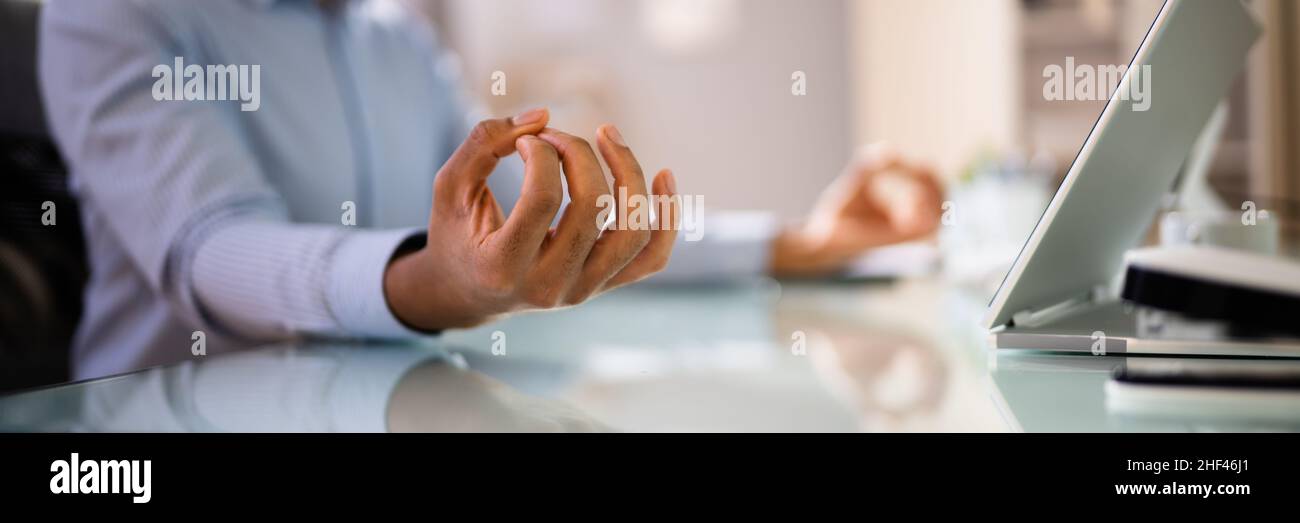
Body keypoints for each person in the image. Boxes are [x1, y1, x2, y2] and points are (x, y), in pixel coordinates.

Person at [39, 0, 942, 380]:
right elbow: (214, 249)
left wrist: (800, 242)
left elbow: (523, 226)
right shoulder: (111, 15)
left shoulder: (396, 38)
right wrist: (435, 281)